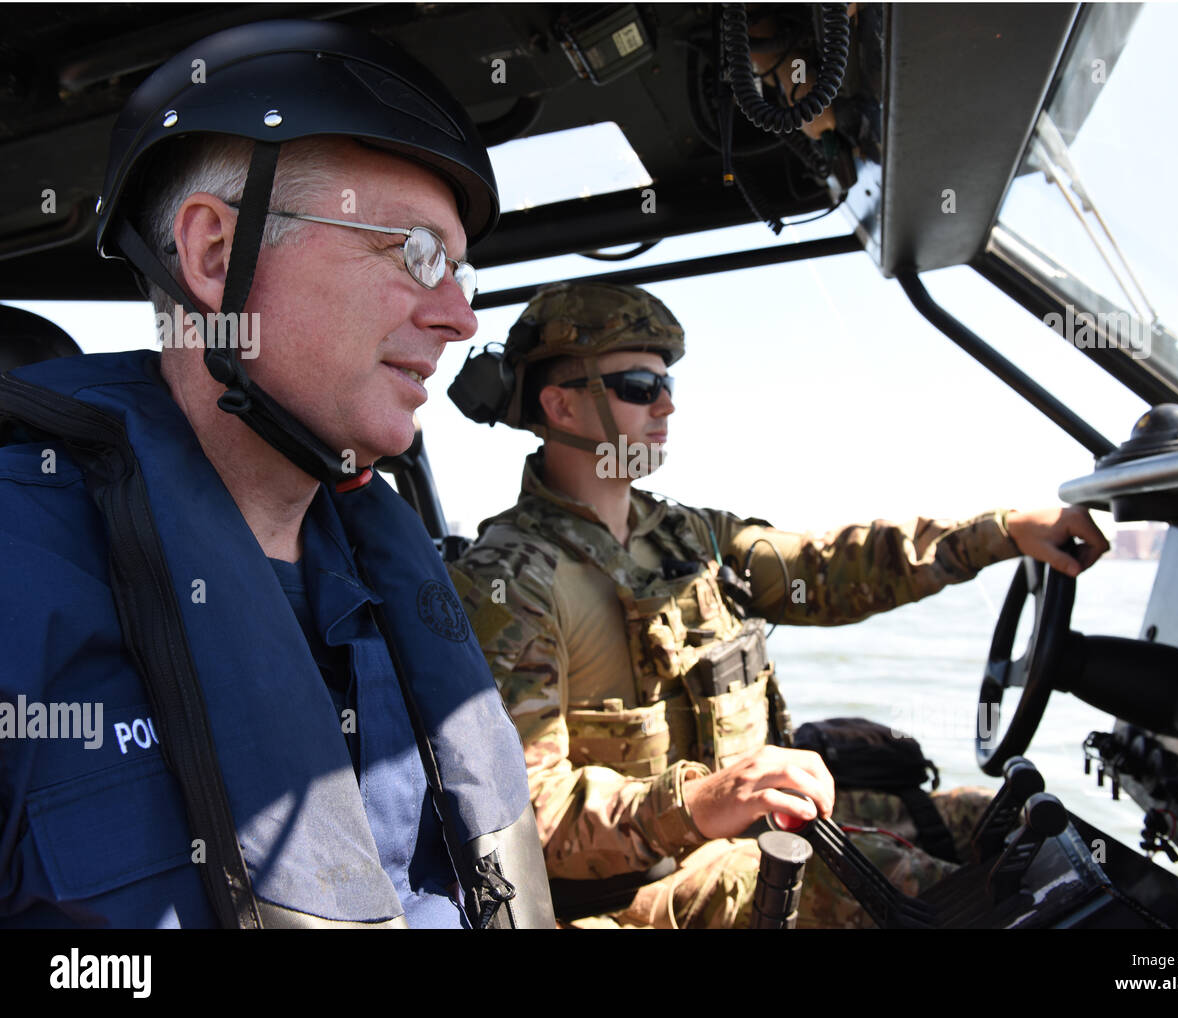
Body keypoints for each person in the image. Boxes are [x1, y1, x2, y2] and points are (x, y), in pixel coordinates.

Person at [0, 20, 553, 929]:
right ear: (216, 257)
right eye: (415, 253)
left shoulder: (394, 586)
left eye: (461, 273)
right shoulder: (24, 579)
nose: (459, 318)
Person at [449, 280, 1110, 928]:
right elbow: (524, 812)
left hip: (737, 828)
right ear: (560, 408)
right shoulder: (511, 579)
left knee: (990, 821)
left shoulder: (694, 536)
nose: (666, 409)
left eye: (667, 387)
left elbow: (828, 570)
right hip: (635, 888)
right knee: (922, 891)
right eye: (639, 388)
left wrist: (1002, 532)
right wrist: (705, 800)